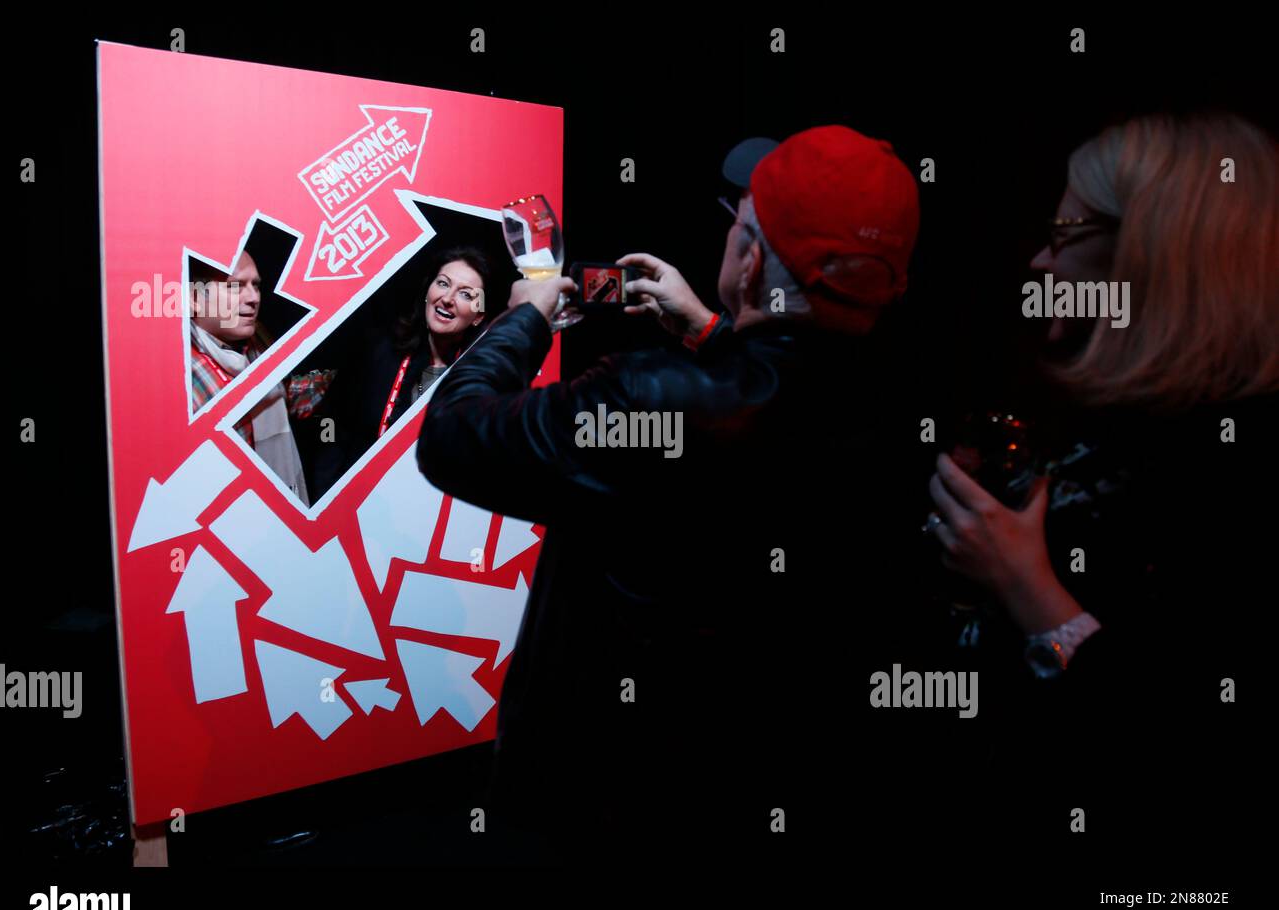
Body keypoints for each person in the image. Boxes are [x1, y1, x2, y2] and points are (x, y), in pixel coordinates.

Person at [416, 126, 920, 861]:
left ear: (750, 266)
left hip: (615, 793)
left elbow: (454, 438)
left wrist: (524, 314)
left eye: (741, 222)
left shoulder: (652, 398)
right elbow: (774, 406)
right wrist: (715, 335)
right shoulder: (900, 408)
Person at [924, 112, 1277, 853]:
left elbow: (1182, 754)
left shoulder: (1236, 475)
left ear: (1149, 255)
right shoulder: (1117, 430)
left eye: (1064, 235)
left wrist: (1025, 587)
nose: (1037, 263)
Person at [306, 246, 491, 499]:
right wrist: (326, 486)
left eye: (466, 294)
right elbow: (331, 420)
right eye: (443, 283)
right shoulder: (380, 351)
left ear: (478, 316)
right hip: (350, 504)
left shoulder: (478, 386)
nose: (448, 298)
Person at [188, 251, 333, 505]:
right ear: (194, 299)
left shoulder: (257, 342)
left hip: (287, 506)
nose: (253, 298)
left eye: (256, 285)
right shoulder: (183, 374)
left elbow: (288, 399)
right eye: (235, 286)